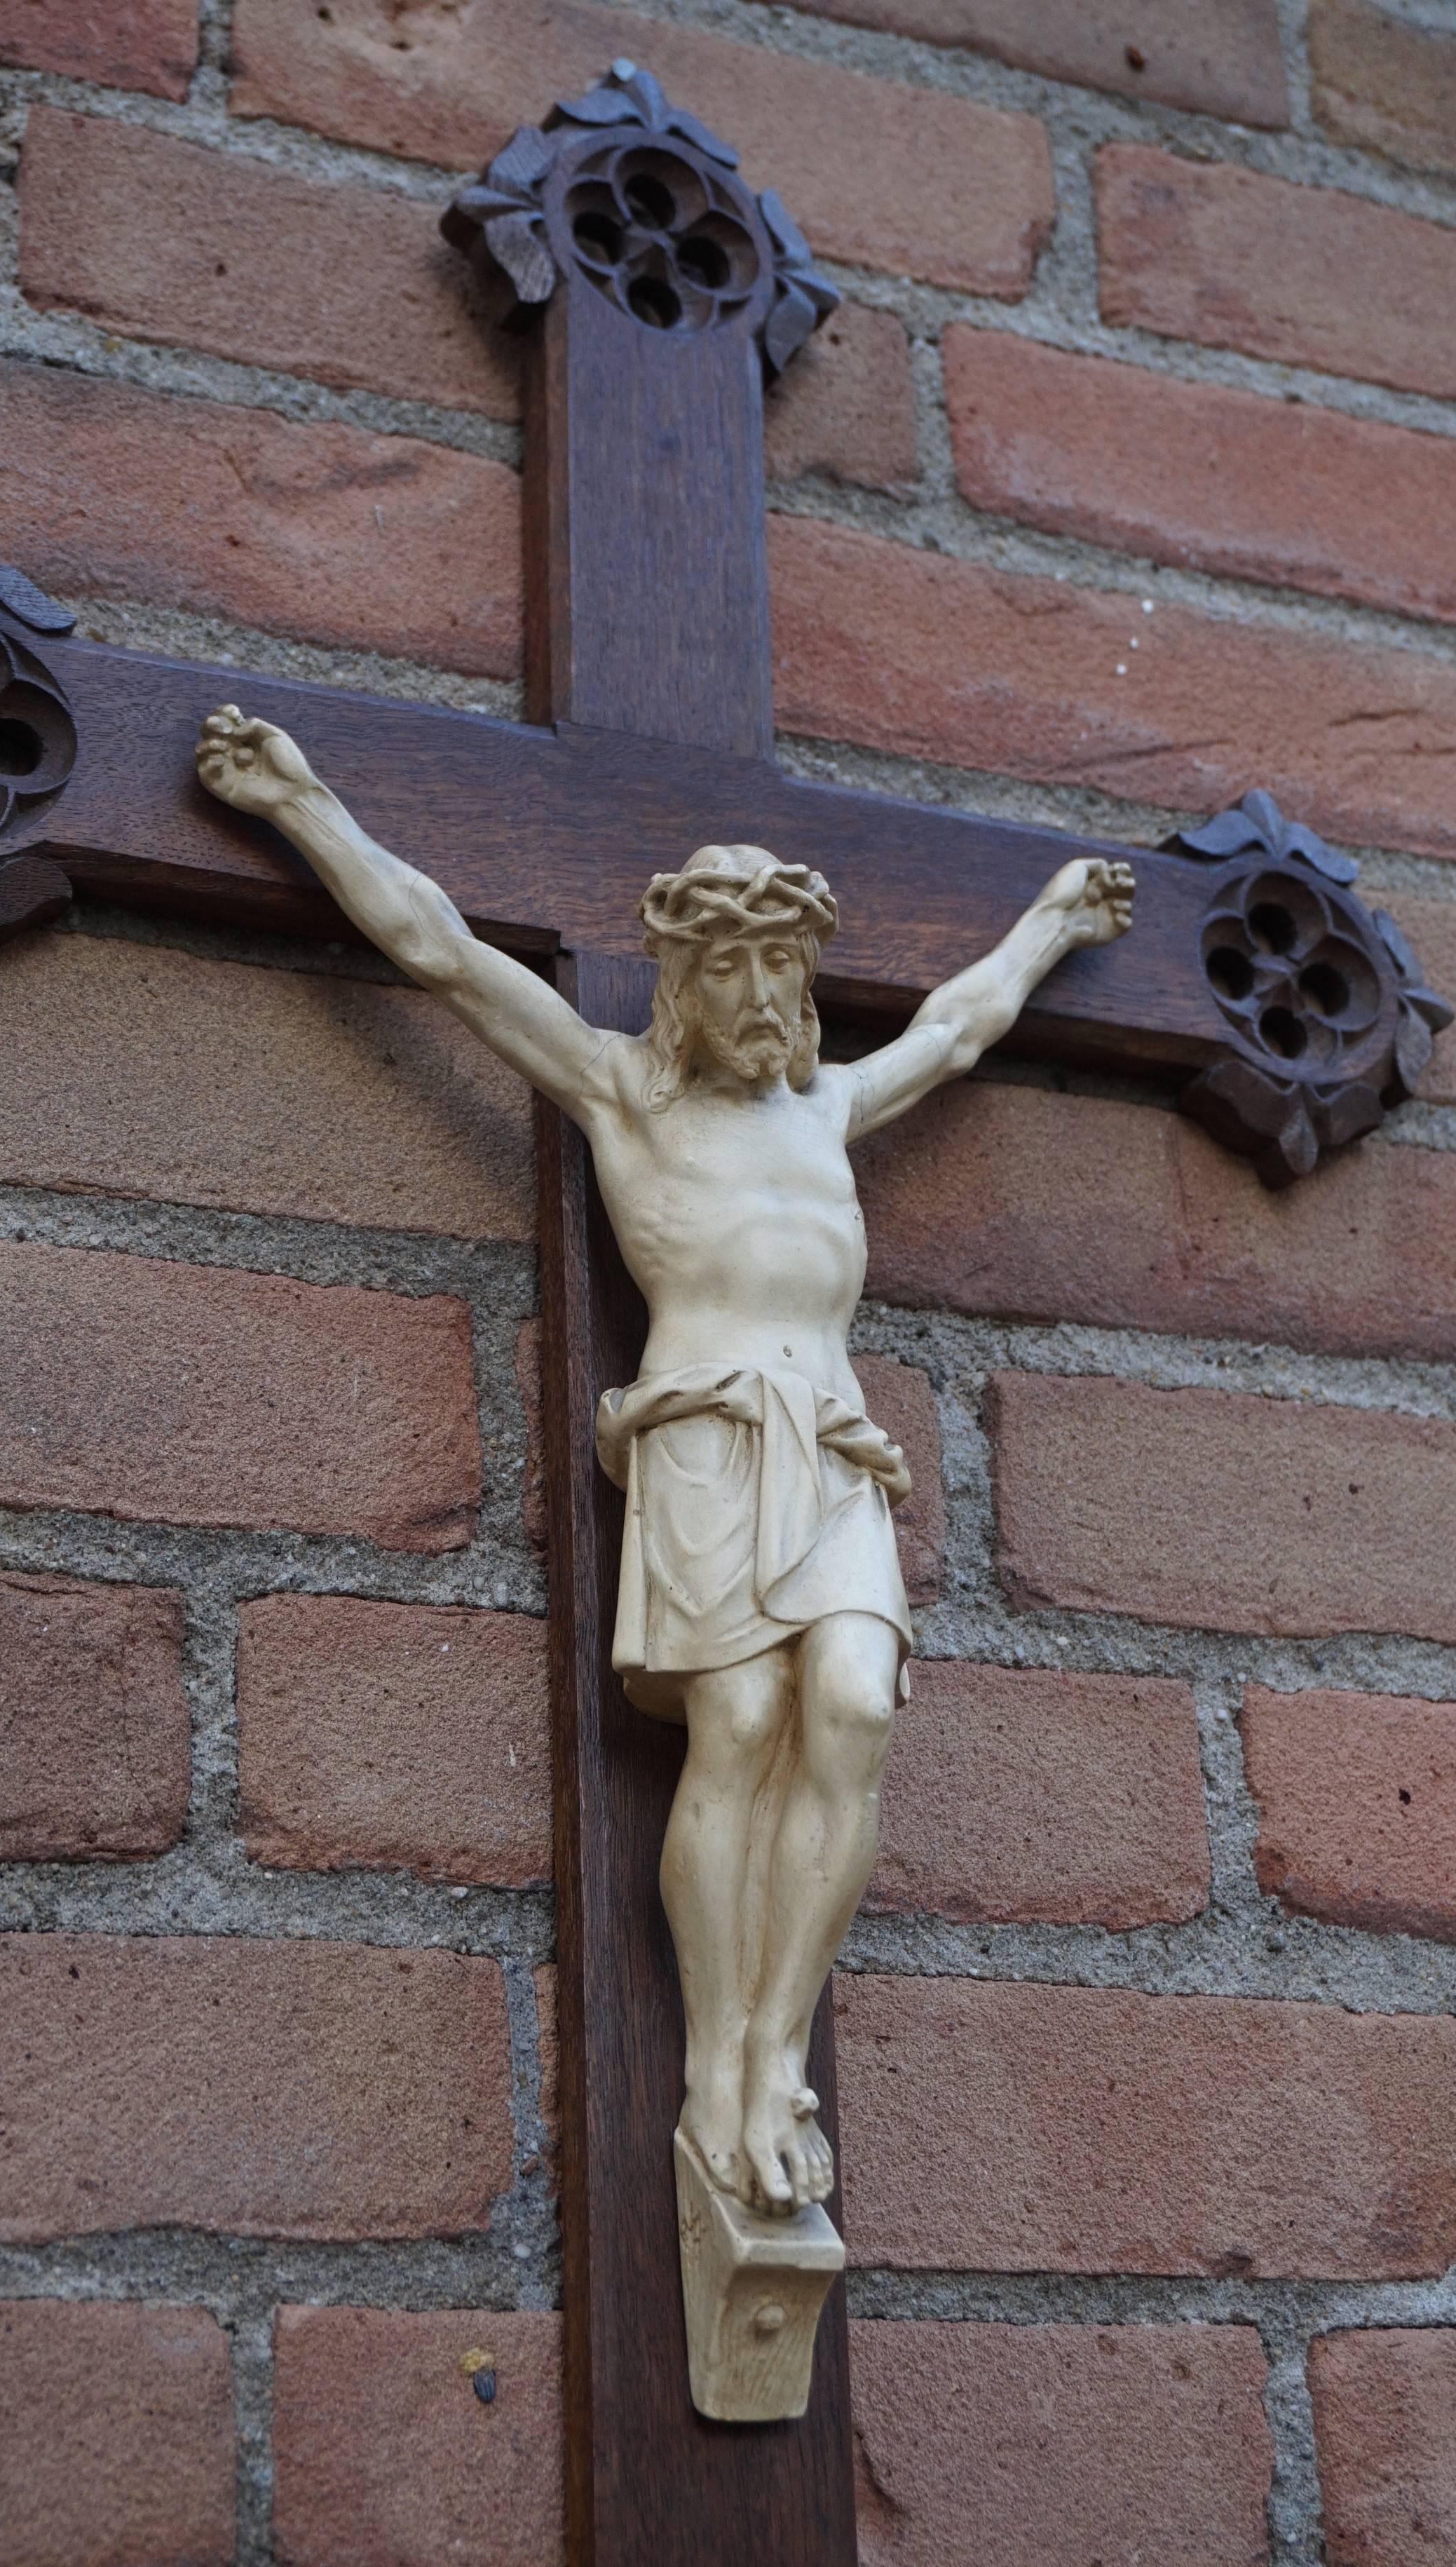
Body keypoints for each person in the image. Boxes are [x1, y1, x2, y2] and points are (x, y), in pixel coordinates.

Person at [197, 705, 1135, 2216]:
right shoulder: (624, 1093)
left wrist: (1045, 924)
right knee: (743, 1718)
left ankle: (774, 2053)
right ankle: (715, 2071)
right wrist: (299, 802)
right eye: (730, 970)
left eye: (783, 967)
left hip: (830, 1448)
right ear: (679, 989)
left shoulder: (828, 1105)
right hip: (702, 1439)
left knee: (846, 1709)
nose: (763, 995)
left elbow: (959, 1026)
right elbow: (438, 950)